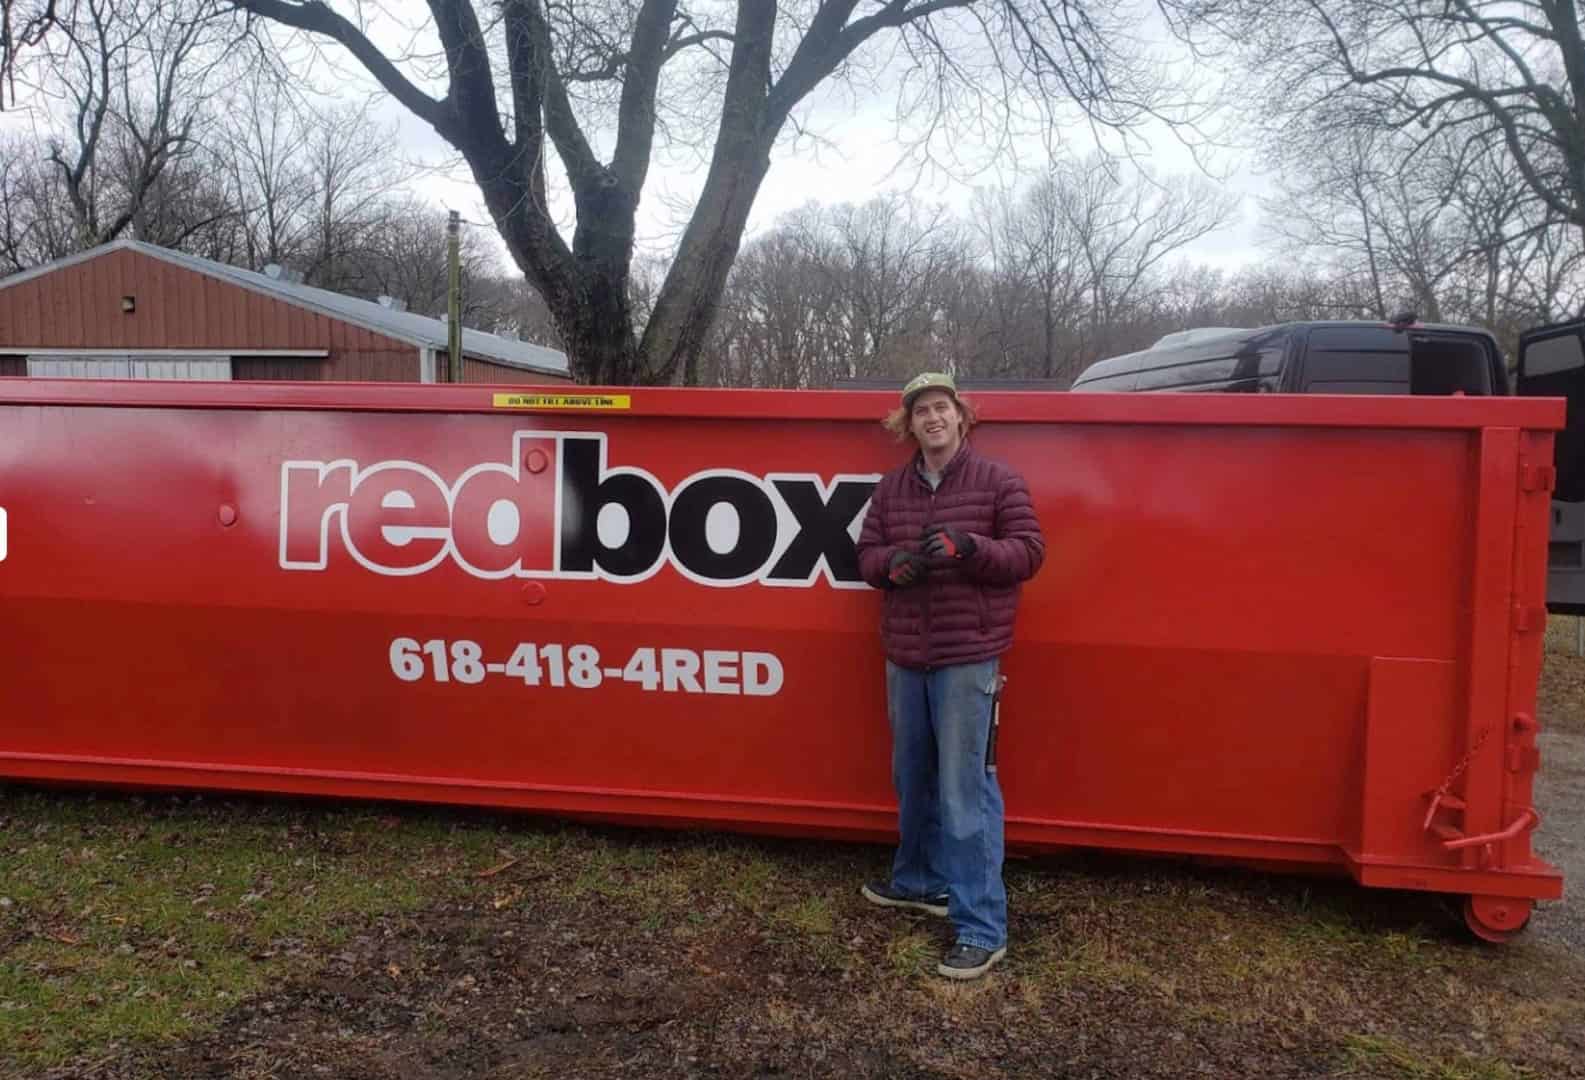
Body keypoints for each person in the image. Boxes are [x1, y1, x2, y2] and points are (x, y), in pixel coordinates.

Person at [855, 371, 1045, 980]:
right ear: (907, 425)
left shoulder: (998, 480)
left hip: (969, 658)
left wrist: (970, 547)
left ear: (962, 417)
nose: (932, 418)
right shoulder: (892, 489)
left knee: (966, 790)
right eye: (920, 411)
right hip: (906, 654)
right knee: (911, 775)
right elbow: (866, 555)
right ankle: (920, 881)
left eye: (941, 408)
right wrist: (895, 566)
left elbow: (1029, 553)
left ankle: (981, 926)